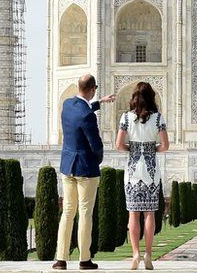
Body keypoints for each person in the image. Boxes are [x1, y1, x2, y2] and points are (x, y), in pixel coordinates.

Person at [53, 74, 115, 271]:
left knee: (68, 212)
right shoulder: (88, 116)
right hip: (85, 168)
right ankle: (84, 259)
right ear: (92, 89)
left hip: (67, 166)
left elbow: (82, 111)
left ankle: (61, 259)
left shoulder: (68, 104)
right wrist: (97, 159)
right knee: (85, 213)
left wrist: (100, 102)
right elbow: (95, 144)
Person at [116, 81, 169, 270]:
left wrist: (133, 148)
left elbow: (119, 145)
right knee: (149, 214)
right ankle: (148, 254)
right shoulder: (158, 118)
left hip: (132, 171)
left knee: (133, 213)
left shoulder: (126, 118)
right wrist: (151, 148)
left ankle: (135, 253)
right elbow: (165, 146)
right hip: (151, 171)